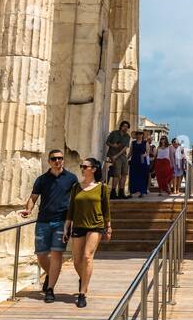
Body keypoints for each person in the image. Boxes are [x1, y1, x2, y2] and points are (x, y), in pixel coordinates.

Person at [19, 149, 79, 304]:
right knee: (40, 255)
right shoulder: (42, 179)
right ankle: (50, 274)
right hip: (43, 221)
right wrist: (28, 209)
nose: (57, 161)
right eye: (54, 159)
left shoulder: (72, 178)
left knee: (57, 254)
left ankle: (50, 289)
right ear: (49, 161)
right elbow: (33, 197)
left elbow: (76, 199)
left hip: (61, 221)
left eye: (60, 158)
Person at [63, 157, 112, 309]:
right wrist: (67, 226)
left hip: (95, 225)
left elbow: (106, 209)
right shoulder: (76, 187)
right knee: (77, 260)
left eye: (85, 166)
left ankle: (82, 293)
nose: (82, 169)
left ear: (94, 169)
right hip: (78, 225)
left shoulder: (102, 187)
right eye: (81, 166)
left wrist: (108, 227)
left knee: (87, 256)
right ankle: (84, 278)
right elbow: (71, 208)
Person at [105, 120, 132, 199]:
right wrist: (113, 145)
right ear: (121, 126)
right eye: (124, 126)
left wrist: (117, 155)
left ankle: (121, 192)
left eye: (127, 127)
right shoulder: (114, 133)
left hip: (121, 155)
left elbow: (125, 147)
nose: (125, 128)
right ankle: (113, 192)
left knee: (124, 173)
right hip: (113, 154)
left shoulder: (127, 136)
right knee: (116, 174)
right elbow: (107, 142)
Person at [128, 130, 150, 198]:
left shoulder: (145, 143)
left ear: (142, 135)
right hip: (134, 160)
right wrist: (126, 158)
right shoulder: (133, 143)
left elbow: (148, 152)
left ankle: (142, 192)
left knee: (142, 176)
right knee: (133, 176)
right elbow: (130, 152)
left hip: (142, 160)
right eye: (138, 134)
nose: (139, 135)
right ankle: (131, 192)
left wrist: (144, 155)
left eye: (140, 134)